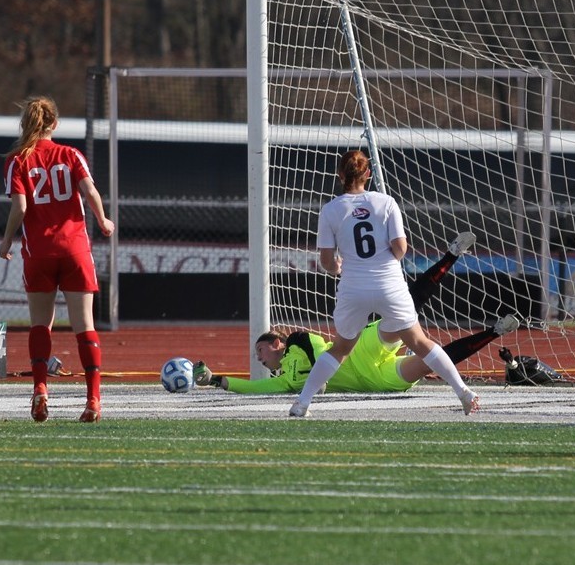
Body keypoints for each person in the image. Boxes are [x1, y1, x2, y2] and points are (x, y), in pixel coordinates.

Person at [197, 232, 520, 395]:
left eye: (260, 350)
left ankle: (452, 254)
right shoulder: (285, 382)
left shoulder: (296, 343)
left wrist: (318, 377)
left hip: (360, 350)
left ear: (276, 344)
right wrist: (215, 381)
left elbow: (311, 341)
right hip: (375, 381)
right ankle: (494, 331)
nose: (259, 358)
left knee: (406, 308)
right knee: (430, 362)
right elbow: (256, 388)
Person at [290, 150, 479, 418]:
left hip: (353, 287)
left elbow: (327, 261)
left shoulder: (330, 209)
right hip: (389, 284)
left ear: (340, 175)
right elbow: (400, 249)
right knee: (419, 342)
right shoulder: (386, 202)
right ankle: (463, 392)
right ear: (367, 174)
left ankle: (302, 404)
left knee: (340, 349)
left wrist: (337, 268)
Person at [0, 96, 115, 423]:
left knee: (40, 324)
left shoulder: (17, 160)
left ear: (26, 124)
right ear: (55, 124)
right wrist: (103, 220)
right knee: (85, 325)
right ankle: (93, 399)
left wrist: (6, 240)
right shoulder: (71, 154)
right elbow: (89, 191)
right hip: (75, 249)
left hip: (39, 252)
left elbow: (20, 207)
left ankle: (40, 389)